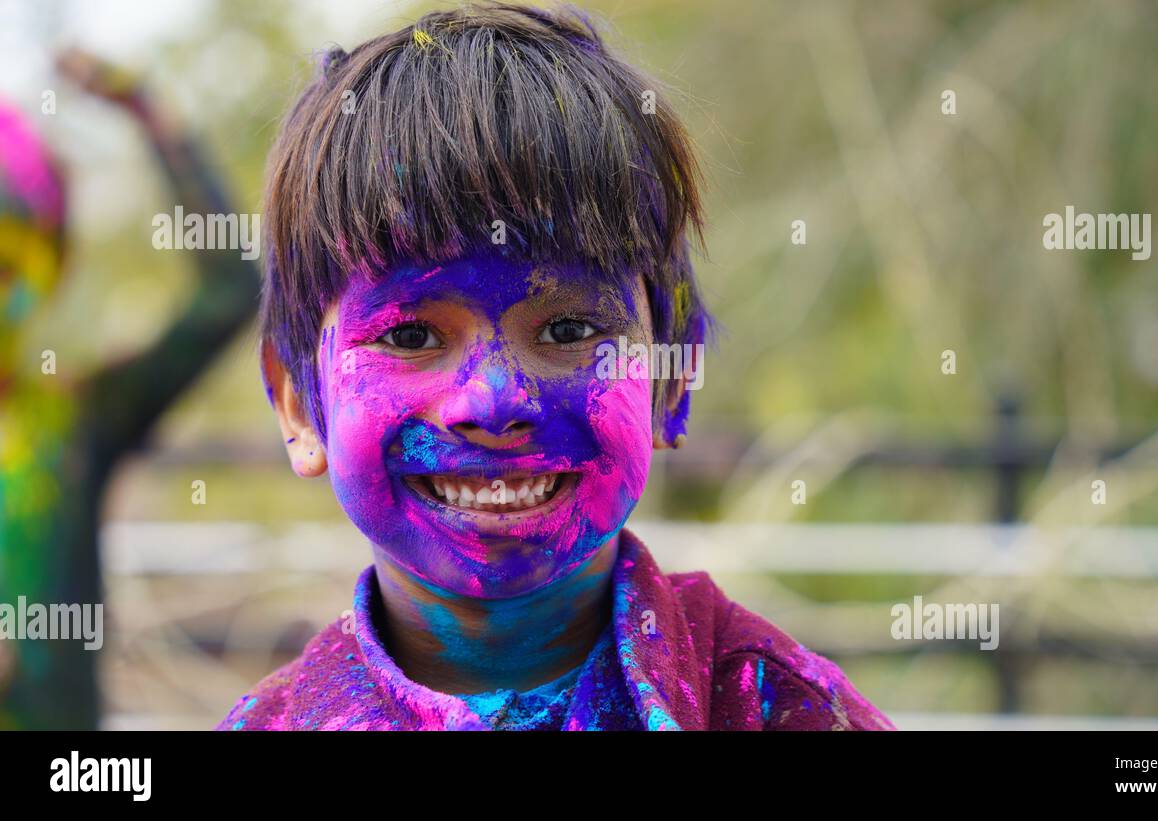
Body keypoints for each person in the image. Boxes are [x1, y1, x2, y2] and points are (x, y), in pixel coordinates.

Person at [217, 2, 893, 731]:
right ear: (296, 400)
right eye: (411, 335)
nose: (494, 398)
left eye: (569, 328)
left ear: (672, 378)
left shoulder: (781, 709)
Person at [0, 52, 262, 729]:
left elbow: (228, 294)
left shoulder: (72, 417)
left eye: (4, 265)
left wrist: (151, 112)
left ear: (44, 268)